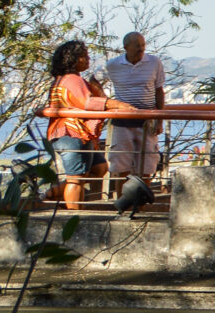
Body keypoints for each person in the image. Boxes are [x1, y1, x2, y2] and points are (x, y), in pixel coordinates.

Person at [44, 41, 132, 210]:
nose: (88, 58)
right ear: (73, 59)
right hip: (71, 133)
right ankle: (74, 215)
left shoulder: (64, 80)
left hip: (73, 133)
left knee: (99, 168)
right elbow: (87, 102)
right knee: (76, 177)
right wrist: (117, 104)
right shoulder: (72, 80)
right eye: (84, 55)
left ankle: (56, 192)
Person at [105, 32, 167, 190]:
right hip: (122, 120)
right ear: (126, 47)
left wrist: (160, 119)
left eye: (143, 45)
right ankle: (122, 200)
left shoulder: (154, 62)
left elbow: (159, 91)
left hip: (147, 119)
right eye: (137, 45)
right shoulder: (113, 65)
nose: (141, 49)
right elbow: (94, 80)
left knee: (147, 163)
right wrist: (110, 103)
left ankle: (141, 201)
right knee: (120, 164)